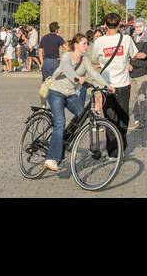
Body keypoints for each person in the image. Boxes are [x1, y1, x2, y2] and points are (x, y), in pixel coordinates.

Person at [43, 33, 108, 173]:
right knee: (60, 122)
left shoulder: (85, 60)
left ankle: (64, 140)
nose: (87, 46)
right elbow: (67, 70)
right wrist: (78, 78)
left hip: (71, 94)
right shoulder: (67, 56)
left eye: (87, 43)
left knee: (82, 114)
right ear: (76, 45)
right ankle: (52, 158)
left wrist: (107, 86)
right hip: (56, 93)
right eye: (84, 43)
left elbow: (94, 74)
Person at [89, 13, 137, 157]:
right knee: (123, 116)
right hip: (123, 84)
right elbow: (134, 55)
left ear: (105, 24)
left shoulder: (99, 42)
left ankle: (112, 152)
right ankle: (121, 145)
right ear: (119, 24)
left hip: (106, 85)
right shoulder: (127, 39)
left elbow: (94, 58)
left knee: (110, 118)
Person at [128, 22, 147, 131]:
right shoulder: (131, 39)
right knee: (132, 98)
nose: (137, 28)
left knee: (141, 97)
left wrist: (131, 53)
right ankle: (137, 118)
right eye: (136, 26)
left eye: (140, 26)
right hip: (131, 72)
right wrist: (127, 63)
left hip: (142, 72)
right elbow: (126, 54)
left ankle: (143, 121)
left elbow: (143, 55)